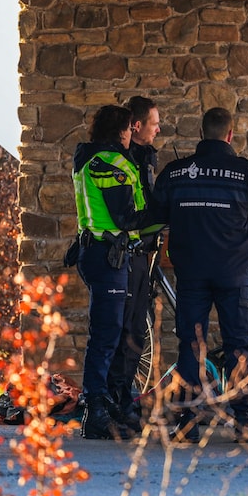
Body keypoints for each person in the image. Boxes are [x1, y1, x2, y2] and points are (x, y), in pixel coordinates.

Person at [152, 107, 248, 443]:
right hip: (234, 272)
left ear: (202, 133)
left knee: (190, 344)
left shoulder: (174, 173)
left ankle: (187, 422)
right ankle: (243, 422)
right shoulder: (245, 172)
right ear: (230, 135)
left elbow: (158, 214)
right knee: (238, 346)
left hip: (191, 272)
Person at [71, 104, 156, 441]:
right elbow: (125, 216)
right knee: (106, 336)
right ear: (122, 131)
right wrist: (158, 215)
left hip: (97, 251)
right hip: (110, 255)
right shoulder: (111, 162)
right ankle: (95, 410)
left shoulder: (88, 159)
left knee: (108, 333)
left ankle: (102, 404)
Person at [106, 96, 162, 431]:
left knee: (135, 329)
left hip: (139, 252)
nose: (158, 128)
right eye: (154, 123)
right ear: (136, 126)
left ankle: (123, 399)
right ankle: (117, 402)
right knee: (125, 329)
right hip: (125, 253)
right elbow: (130, 213)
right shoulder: (123, 161)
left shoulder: (142, 158)